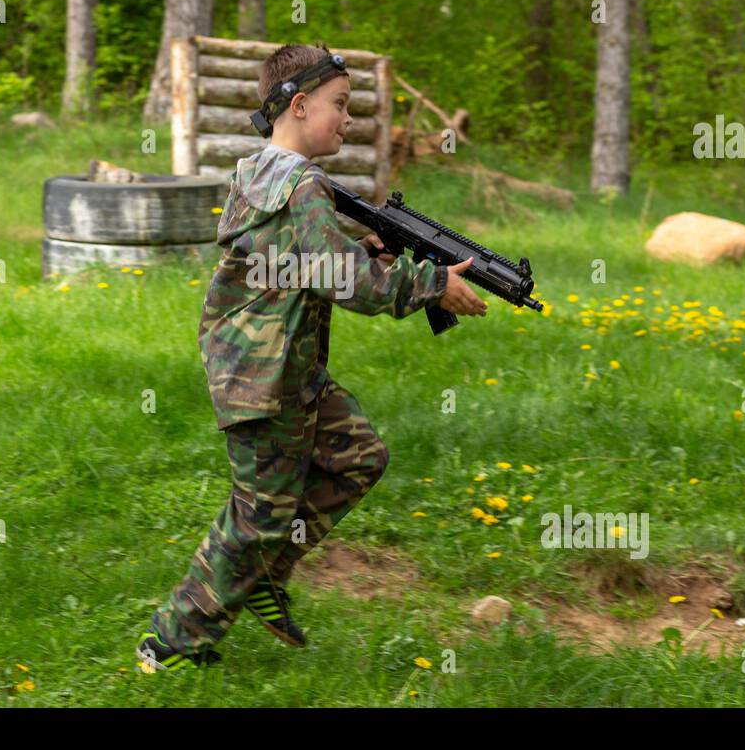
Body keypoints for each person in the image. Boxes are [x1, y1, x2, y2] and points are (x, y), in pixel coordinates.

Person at [136, 43, 486, 672]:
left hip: (288, 373)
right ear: (298, 105)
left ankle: (268, 575)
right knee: (257, 518)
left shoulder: (265, 172)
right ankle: (169, 643)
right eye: (340, 105)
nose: (348, 119)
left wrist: (367, 248)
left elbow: (306, 260)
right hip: (261, 380)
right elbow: (348, 283)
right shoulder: (301, 187)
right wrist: (433, 283)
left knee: (359, 456)